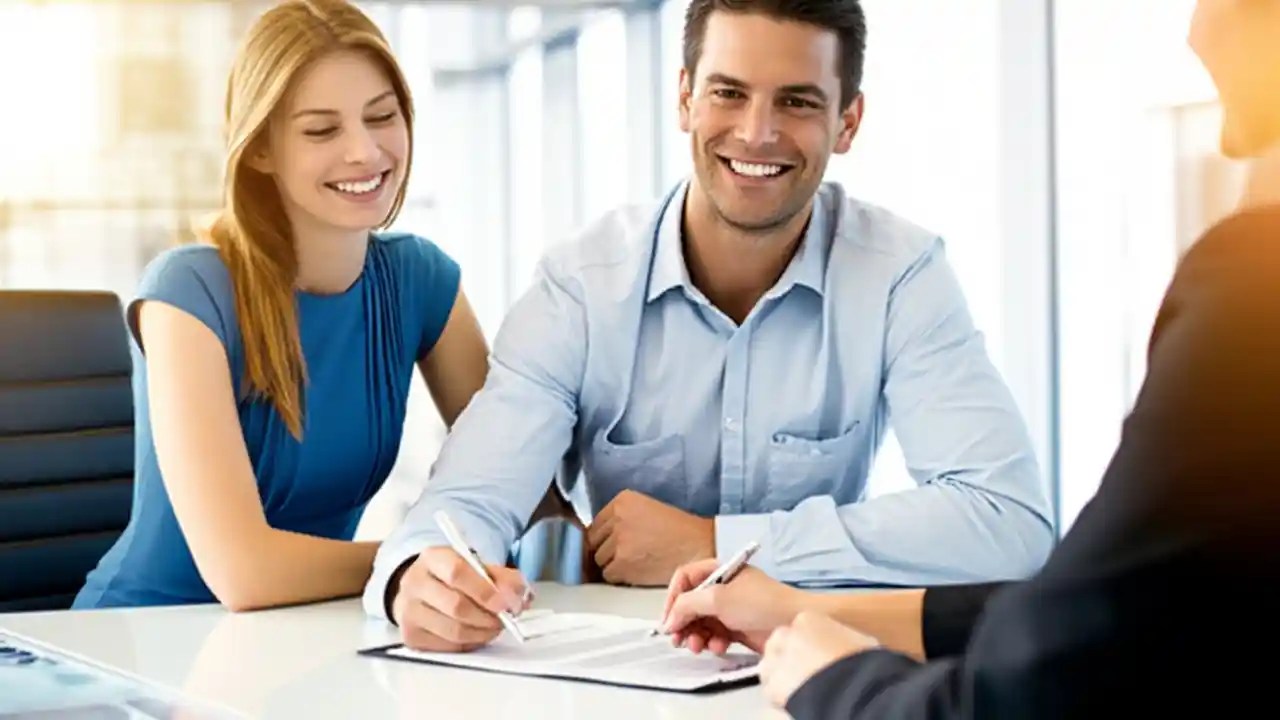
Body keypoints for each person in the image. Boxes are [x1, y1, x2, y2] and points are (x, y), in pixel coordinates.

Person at [366, 0, 1054, 651]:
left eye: (798, 101)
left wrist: (717, 540)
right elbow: (465, 503)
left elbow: (1008, 522)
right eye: (729, 92)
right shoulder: (581, 287)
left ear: (848, 122)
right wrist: (415, 582)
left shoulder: (901, 275)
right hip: (614, 675)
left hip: (802, 669)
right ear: (684, 97)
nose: (757, 131)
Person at [659, 0, 1280, 715]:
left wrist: (841, 685)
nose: (1196, 25)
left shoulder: (1254, 297)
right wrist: (808, 612)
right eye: (729, 91)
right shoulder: (584, 277)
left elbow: (1043, 682)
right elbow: (1115, 612)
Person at [72, 0, 521, 614]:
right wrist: (411, 561)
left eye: (381, 117)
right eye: (321, 130)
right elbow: (244, 573)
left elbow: (512, 477)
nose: (364, 152)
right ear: (260, 149)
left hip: (298, 639)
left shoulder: (420, 280)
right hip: (141, 644)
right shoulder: (188, 293)